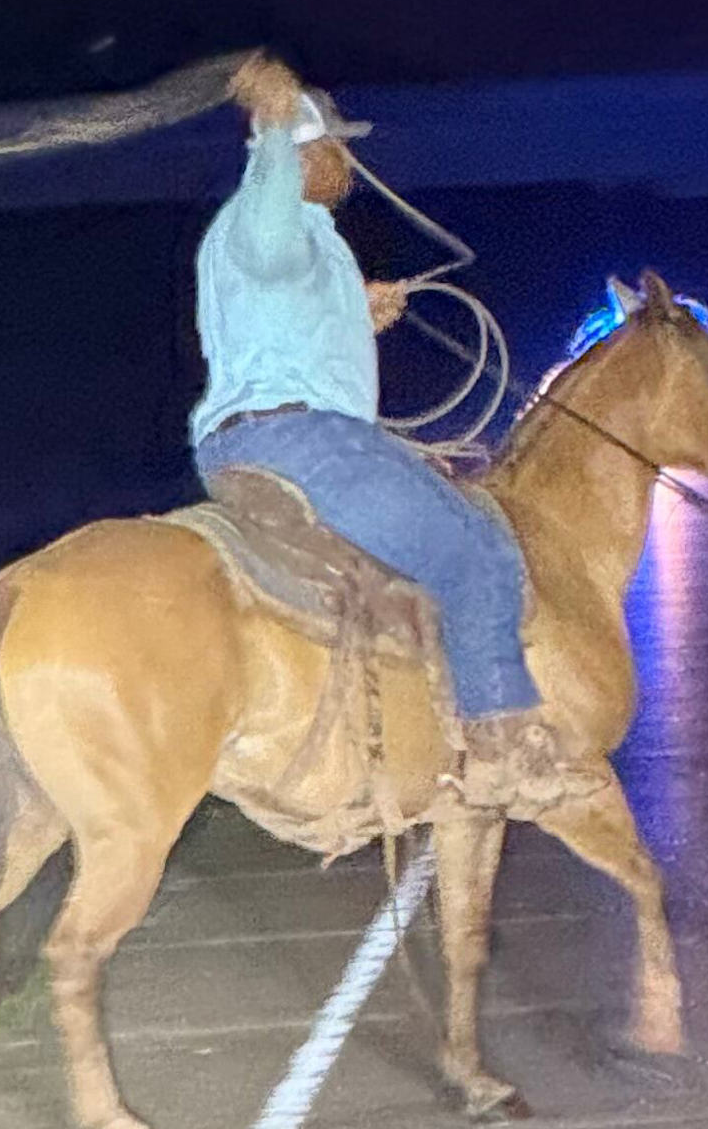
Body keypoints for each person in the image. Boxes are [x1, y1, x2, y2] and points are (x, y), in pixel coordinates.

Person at [193, 53, 574, 807]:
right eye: (338, 147)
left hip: (248, 440)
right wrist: (276, 125)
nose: (348, 163)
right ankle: (500, 750)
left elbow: (281, 313)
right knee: (477, 551)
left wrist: (356, 310)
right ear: (311, 152)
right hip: (305, 443)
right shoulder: (269, 213)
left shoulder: (295, 239)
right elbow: (271, 232)